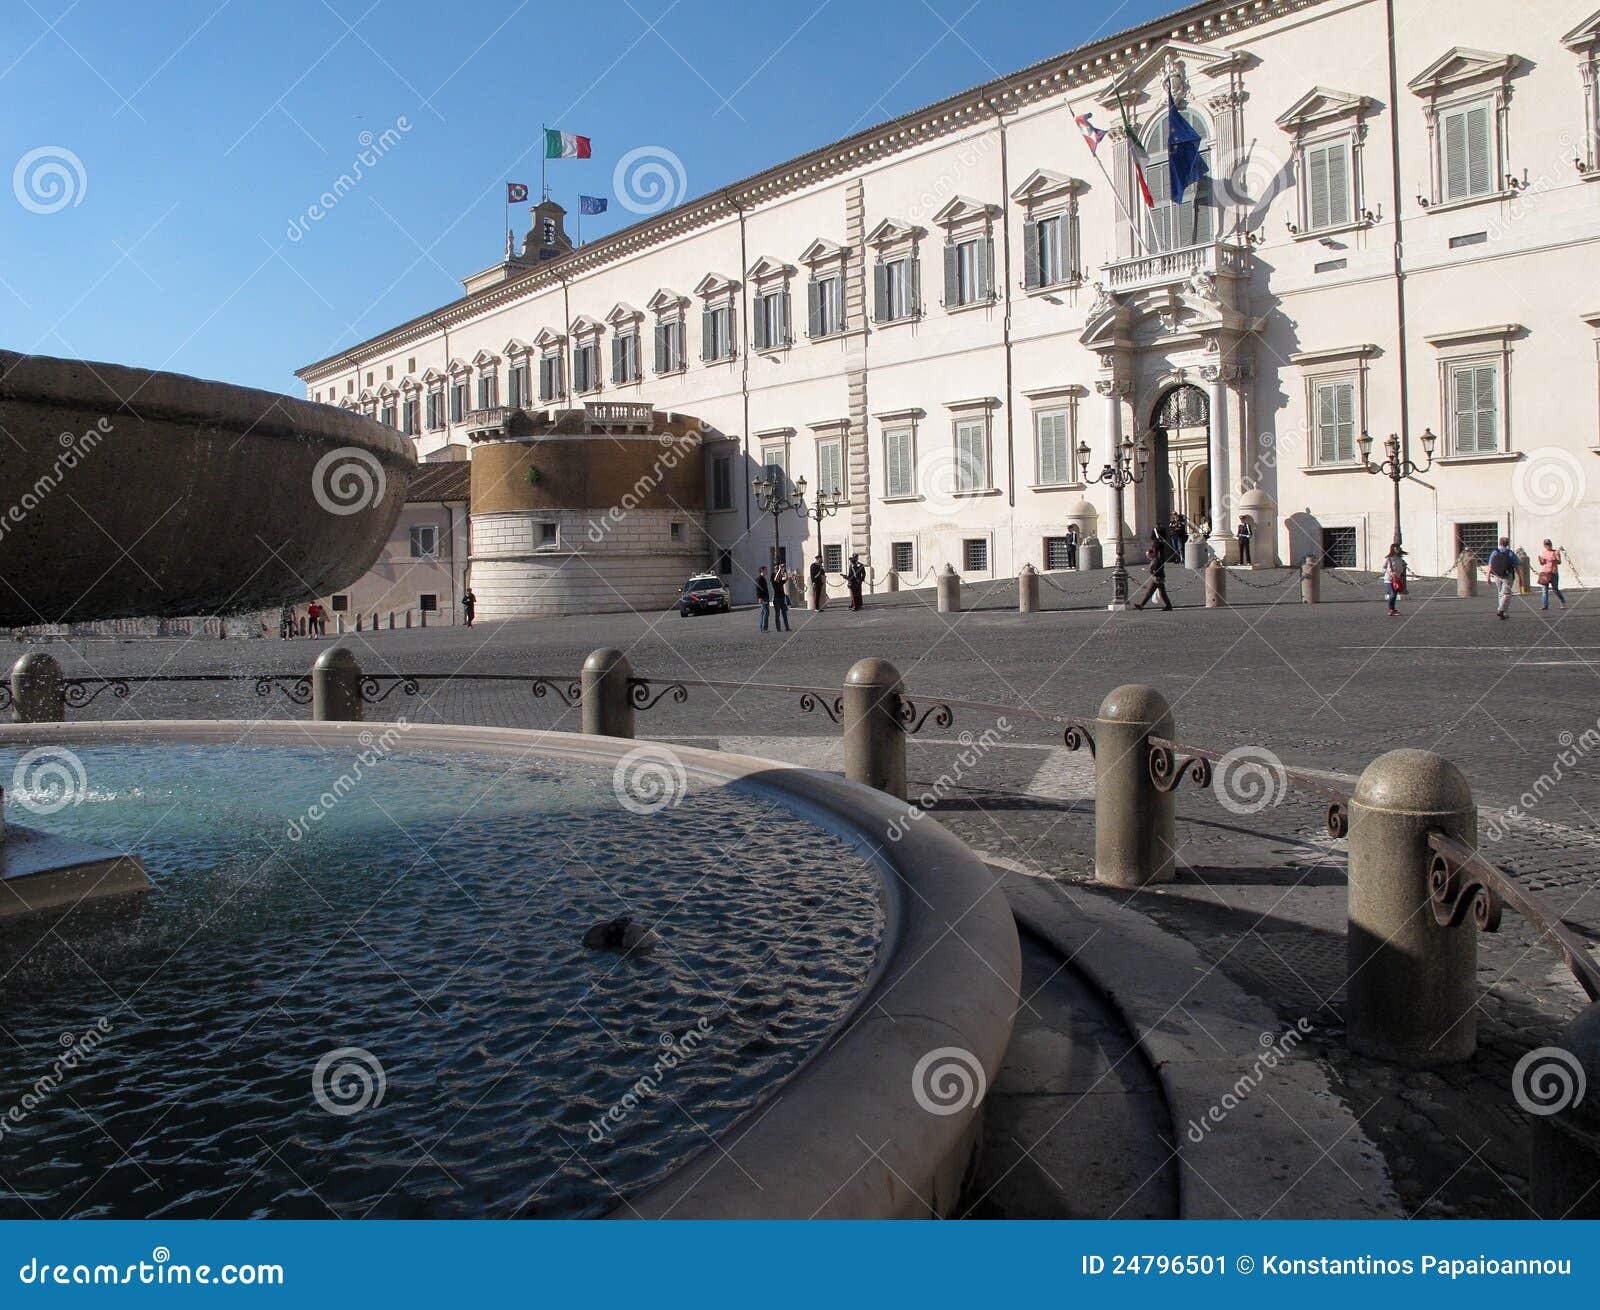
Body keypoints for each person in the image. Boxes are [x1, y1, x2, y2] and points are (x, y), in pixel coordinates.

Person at [1133, 534, 1172, 611]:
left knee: (1153, 592)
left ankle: (1142, 605)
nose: (1147, 556)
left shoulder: (1156, 559)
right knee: (1158, 592)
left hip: (1158, 577)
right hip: (1158, 577)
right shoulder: (1158, 557)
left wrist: (1148, 571)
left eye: (1148, 555)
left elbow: (1153, 570)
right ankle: (1168, 605)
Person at [1485, 536, 1519, 620]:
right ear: (1507, 544)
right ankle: (1501, 609)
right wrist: (1521, 577)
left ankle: (1504, 612)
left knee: (1500, 593)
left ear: (1499, 543)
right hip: (1507, 576)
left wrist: (1488, 576)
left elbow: (1490, 565)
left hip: (1497, 575)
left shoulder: (1494, 552)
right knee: (1506, 594)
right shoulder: (1510, 553)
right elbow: (1517, 565)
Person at [1537, 538, 1567, 612]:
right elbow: (1542, 563)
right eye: (1546, 544)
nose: (1548, 546)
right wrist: (1540, 560)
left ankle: (1562, 602)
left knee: (1555, 589)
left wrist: (1555, 559)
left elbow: (1559, 562)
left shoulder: (1555, 552)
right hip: (1545, 573)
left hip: (1553, 573)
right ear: (1544, 545)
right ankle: (1545, 605)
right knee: (1544, 590)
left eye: (1549, 544)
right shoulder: (1543, 553)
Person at [1381, 543, 1406, 616]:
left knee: (1394, 595)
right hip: (1389, 579)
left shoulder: (1400, 559)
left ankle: (1393, 609)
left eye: (1398, 549)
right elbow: (1383, 568)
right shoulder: (1389, 558)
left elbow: (1401, 567)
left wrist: (1401, 571)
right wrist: (1390, 573)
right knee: (1392, 594)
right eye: (1395, 549)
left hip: (1397, 579)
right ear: (1392, 550)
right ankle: (1391, 610)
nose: (1397, 550)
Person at [772, 561, 793, 631]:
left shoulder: (780, 578)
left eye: (777, 568)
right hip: (776, 598)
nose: (777, 569)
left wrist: (785, 571)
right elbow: (775, 579)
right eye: (776, 568)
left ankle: (787, 628)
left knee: (784, 614)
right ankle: (778, 628)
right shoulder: (773, 575)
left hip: (782, 598)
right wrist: (780, 570)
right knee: (777, 614)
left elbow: (786, 579)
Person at [754, 566, 771, 632]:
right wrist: (759, 597)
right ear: (762, 570)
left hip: (765, 597)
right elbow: (757, 589)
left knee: (763, 612)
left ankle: (762, 627)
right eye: (766, 570)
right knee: (766, 612)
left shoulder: (763, 578)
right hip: (763, 598)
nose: (767, 571)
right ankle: (764, 628)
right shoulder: (759, 579)